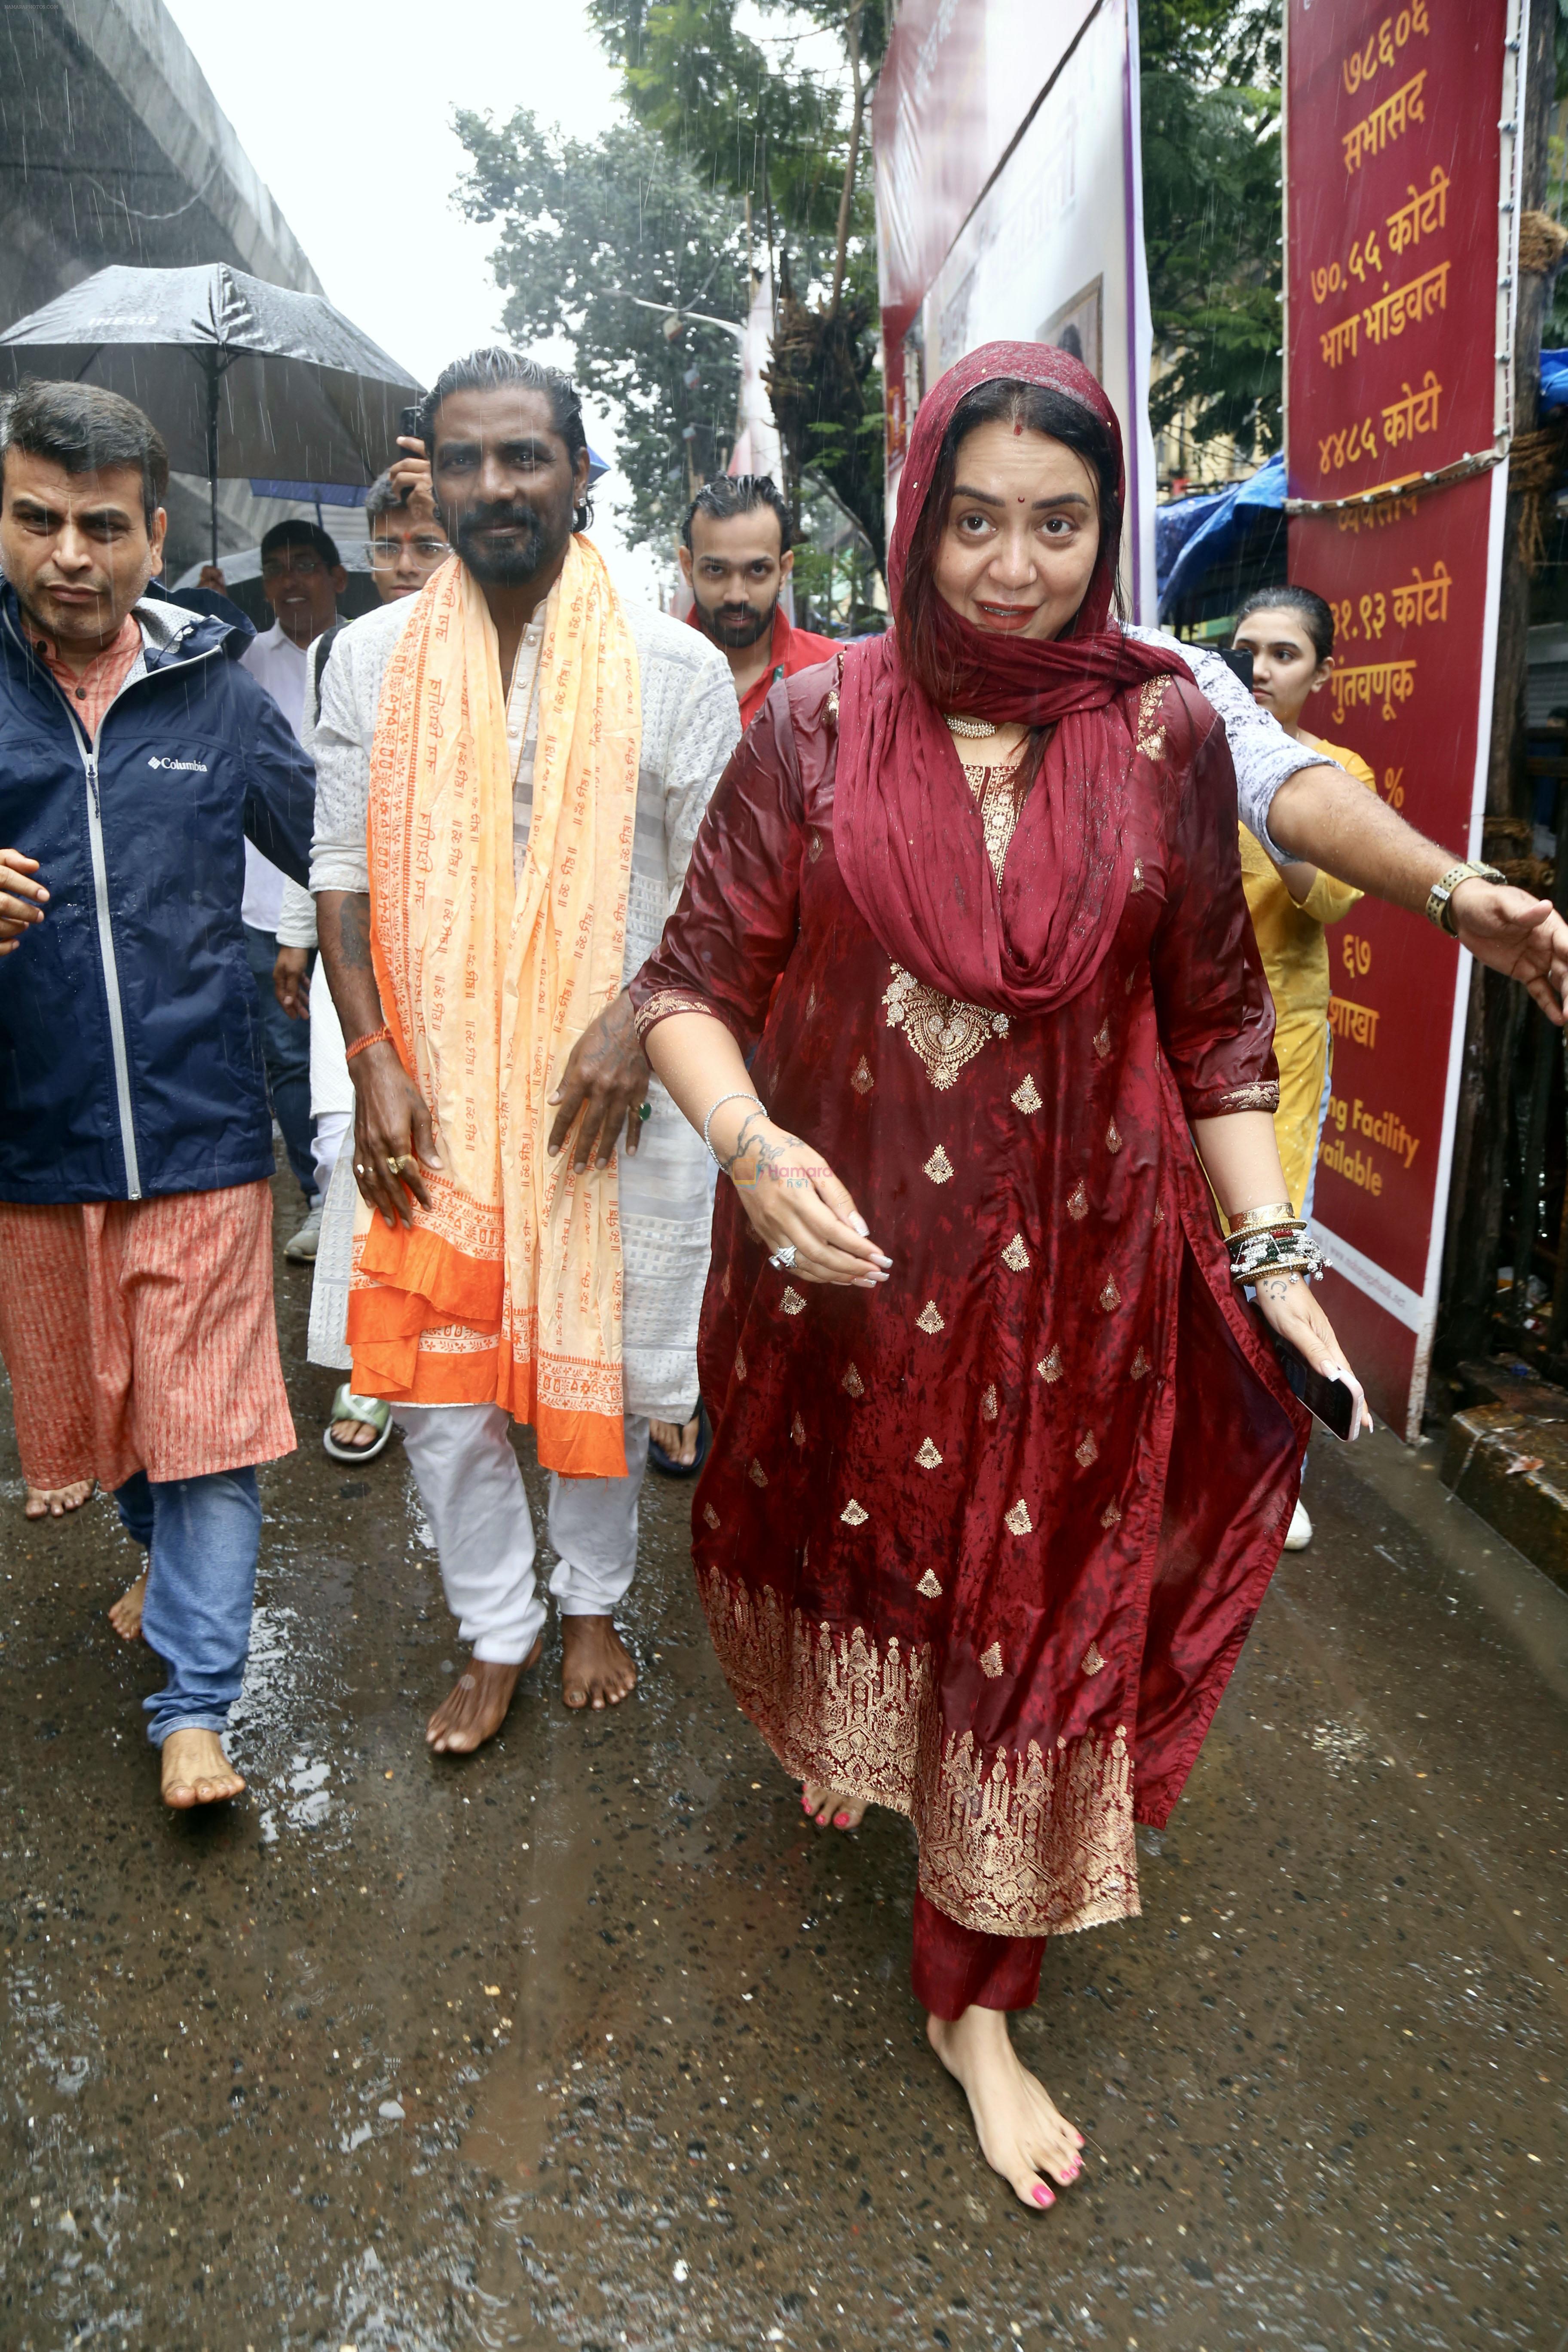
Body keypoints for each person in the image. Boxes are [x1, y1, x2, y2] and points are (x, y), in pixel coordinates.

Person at [631, 342, 1369, 2211]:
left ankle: (974, 1997)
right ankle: (856, 1745)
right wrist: (749, 1141)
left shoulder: (1163, 734)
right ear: (914, 520)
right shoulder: (812, 728)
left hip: (1082, 1277)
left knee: (1041, 1625)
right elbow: (689, 985)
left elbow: (1211, 1022)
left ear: (1109, 529)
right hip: (853, 1270)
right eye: (973, 519)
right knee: (865, 1560)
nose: (1013, 563)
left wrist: (1270, 1258)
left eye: (1057, 522)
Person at [309, 348, 739, 1742]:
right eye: (466, 460)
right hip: (425, 1088)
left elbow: (728, 885)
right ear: (426, 475)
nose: (494, 486)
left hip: (608, 1089)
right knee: (438, 1388)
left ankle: (594, 1597)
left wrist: (632, 1019)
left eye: (525, 457)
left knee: (595, 1359)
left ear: (577, 473)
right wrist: (370, 1051)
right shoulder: (367, 658)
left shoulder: (675, 668)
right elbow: (337, 872)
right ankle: (496, 1623)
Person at [0, 380, 313, 1807]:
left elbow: (341, 856)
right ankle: (157, 1562)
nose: (71, 550)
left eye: (103, 526)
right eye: (39, 518)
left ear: (155, 536)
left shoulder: (222, 700)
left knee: (209, 1427)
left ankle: (196, 1704)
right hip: (37, 1141)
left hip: (199, 1131)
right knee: (114, 1418)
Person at [272, 468, 452, 1461]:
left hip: (466, 953)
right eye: (390, 547)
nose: (404, 566)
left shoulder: (497, 644)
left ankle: (460, 1336)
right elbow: (323, 813)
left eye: (425, 546)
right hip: (360, 951)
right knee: (358, 1146)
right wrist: (298, 930)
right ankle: (371, 1367)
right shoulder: (344, 651)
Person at [1231, 586, 1376, 1553]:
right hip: (1182, 1037)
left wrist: (1270, 805)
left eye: (1284, 654)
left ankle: (1280, 1477)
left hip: (1283, 1047)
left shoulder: (1339, 777)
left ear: (1321, 674)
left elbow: (1324, 901)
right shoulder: (1188, 755)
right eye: (1245, 650)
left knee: (1270, 1253)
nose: (1259, 668)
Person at [233, 520, 348, 1260]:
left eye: (305, 565)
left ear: (337, 576)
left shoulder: (364, 652)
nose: (290, 582)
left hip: (340, 892)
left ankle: (355, 1199)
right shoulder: (240, 662)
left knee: (351, 1049)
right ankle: (316, 1197)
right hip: (255, 896)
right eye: (276, 569)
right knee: (286, 1056)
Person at [681, 474, 837, 731]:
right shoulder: (647, 680)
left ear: (784, 570)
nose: (736, 596)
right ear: (688, 567)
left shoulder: (836, 672)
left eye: (757, 570)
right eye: (716, 570)